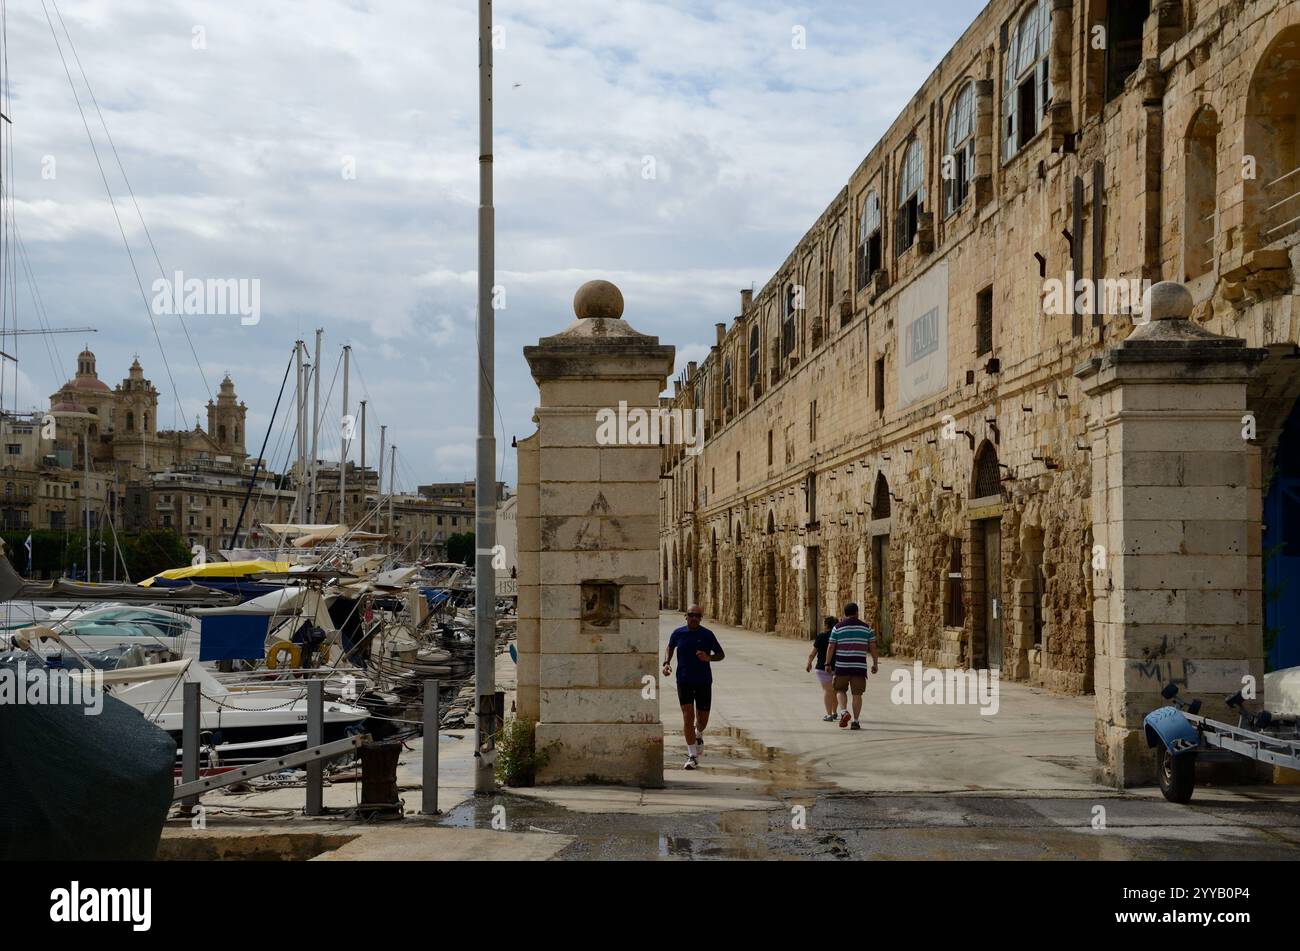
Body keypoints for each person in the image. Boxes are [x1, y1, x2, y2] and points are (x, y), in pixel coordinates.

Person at [663, 605, 725, 770]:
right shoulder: (678, 633)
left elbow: (721, 654)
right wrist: (666, 663)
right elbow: (670, 647)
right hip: (683, 680)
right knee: (687, 716)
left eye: (697, 615)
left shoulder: (707, 635)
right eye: (691, 615)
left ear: (701, 618)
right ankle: (692, 755)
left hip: (704, 681)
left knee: (702, 721)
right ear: (686, 616)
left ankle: (699, 735)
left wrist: (708, 658)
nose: (694, 618)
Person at [825, 602, 878, 730]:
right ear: (856, 613)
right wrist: (875, 663)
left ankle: (843, 712)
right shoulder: (867, 628)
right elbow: (873, 647)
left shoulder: (837, 628)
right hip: (859, 666)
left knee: (840, 690)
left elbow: (831, 646)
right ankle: (856, 721)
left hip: (842, 665)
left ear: (844, 613)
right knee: (857, 694)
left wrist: (827, 663)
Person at [806, 615, 839, 722]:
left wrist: (809, 663)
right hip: (837, 667)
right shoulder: (838, 637)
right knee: (835, 691)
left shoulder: (821, 636)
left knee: (827, 691)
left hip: (822, 667)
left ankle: (829, 715)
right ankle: (834, 712)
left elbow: (813, 653)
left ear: (826, 625)